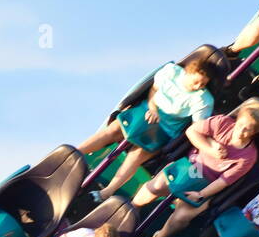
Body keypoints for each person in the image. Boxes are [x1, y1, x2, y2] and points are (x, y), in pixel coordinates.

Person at [134, 102, 259, 237]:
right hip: (190, 167)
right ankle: (133, 208)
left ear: (254, 133)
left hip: (207, 184)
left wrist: (201, 194)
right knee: (155, 186)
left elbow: (224, 181)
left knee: (182, 217)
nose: (241, 131)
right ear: (237, 119)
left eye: (247, 129)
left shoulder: (249, 156)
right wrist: (210, 148)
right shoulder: (222, 122)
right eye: (241, 124)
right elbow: (192, 131)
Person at [82, 58, 217, 201]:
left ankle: (107, 192)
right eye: (196, 82)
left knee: (136, 155)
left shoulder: (203, 99)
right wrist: (153, 108)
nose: (198, 86)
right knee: (114, 130)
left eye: (202, 84)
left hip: (165, 128)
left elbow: (198, 126)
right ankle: (74, 154)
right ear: (188, 72)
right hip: (148, 110)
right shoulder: (171, 71)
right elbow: (154, 89)